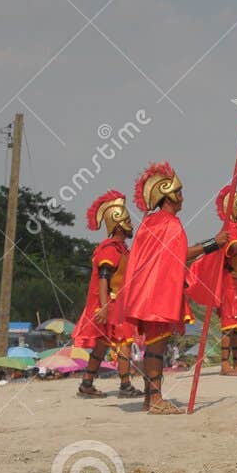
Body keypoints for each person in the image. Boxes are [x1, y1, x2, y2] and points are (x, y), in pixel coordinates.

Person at [125, 161, 216, 414]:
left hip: (148, 293)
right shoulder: (169, 224)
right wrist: (214, 243)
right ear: (169, 196)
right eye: (179, 192)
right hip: (158, 294)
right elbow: (180, 256)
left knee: (155, 345)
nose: (183, 197)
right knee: (156, 347)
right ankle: (155, 399)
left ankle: (149, 397)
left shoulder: (150, 222)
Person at [73, 189, 142, 399]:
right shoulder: (110, 249)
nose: (132, 224)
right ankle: (125, 385)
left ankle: (86, 383)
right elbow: (104, 278)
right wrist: (103, 306)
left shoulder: (121, 249)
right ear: (118, 223)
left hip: (115, 303)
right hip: (111, 304)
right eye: (128, 220)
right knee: (124, 342)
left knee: (102, 345)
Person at [185, 184, 237, 377]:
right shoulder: (231, 230)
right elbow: (232, 248)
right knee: (229, 324)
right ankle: (225, 365)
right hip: (230, 281)